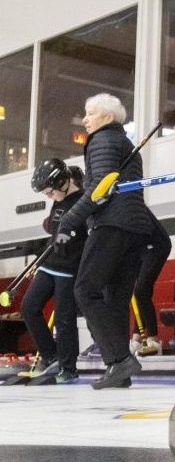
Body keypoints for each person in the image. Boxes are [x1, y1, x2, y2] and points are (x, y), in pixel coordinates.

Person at [59, 93, 151, 389]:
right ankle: (119, 369)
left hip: (112, 223)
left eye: (89, 113)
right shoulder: (120, 142)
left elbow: (100, 187)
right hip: (135, 228)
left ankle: (119, 360)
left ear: (107, 118)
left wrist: (69, 219)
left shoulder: (102, 140)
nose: (84, 119)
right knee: (114, 299)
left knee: (85, 290)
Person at [22, 159, 87, 383]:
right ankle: (51, 356)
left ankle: (68, 368)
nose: (49, 196)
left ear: (62, 182)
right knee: (28, 307)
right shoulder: (60, 199)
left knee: (64, 319)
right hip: (50, 263)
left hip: (69, 269)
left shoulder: (83, 201)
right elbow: (54, 225)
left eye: (50, 192)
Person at [129, 208, 171, 356]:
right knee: (140, 292)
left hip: (157, 245)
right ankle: (137, 337)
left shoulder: (126, 204)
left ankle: (153, 339)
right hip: (140, 249)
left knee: (140, 291)